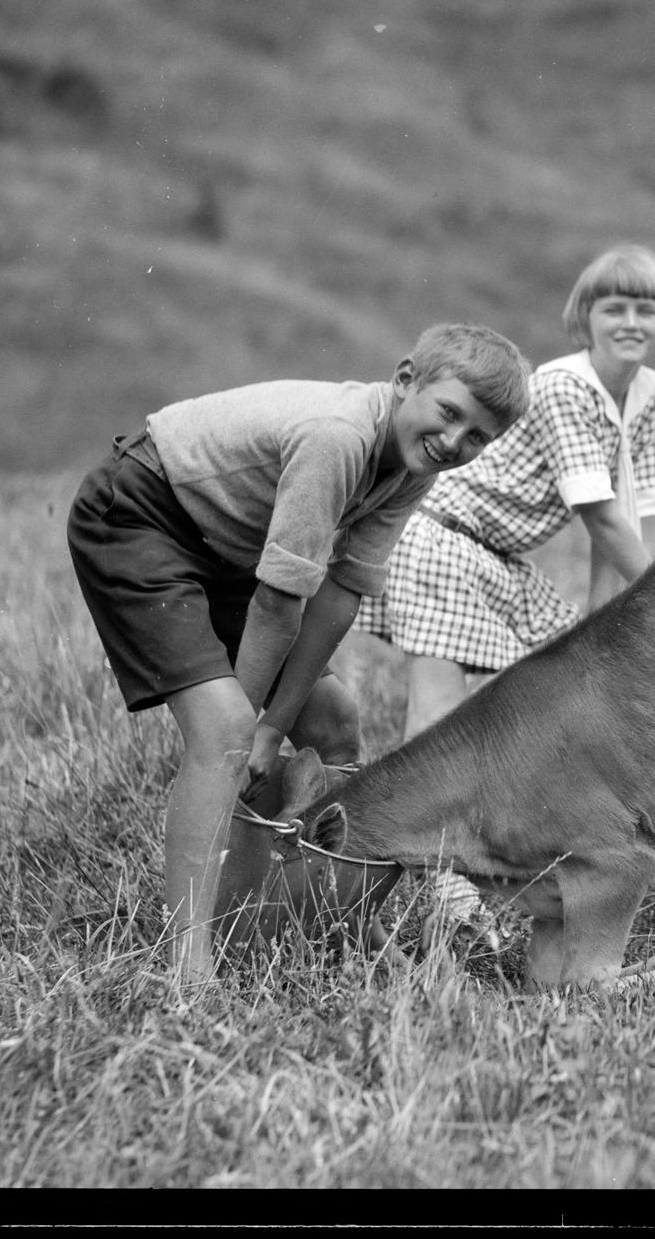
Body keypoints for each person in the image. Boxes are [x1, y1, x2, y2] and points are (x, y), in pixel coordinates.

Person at [66, 322, 531, 986]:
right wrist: (257, 727)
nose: (456, 442)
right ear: (405, 381)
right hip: (139, 514)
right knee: (226, 731)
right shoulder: (338, 437)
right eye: (450, 413)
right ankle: (188, 970)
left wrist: (280, 725)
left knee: (335, 719)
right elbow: (280, 605)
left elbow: (338, 595)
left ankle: (328, 909)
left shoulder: (411, 464)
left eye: (478, 436)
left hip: (227, 550)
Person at [355, 244, 655, 739]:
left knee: (575, 668)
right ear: (586, 316)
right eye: (613, 309)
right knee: (439, 720)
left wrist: (602, 629)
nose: (630, 322)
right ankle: (421, 812)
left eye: (646, 310)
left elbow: (621, 520)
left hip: (495, 557)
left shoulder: (646, 392)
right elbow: (599, 516)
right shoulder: (566, 387)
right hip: (440, 538)